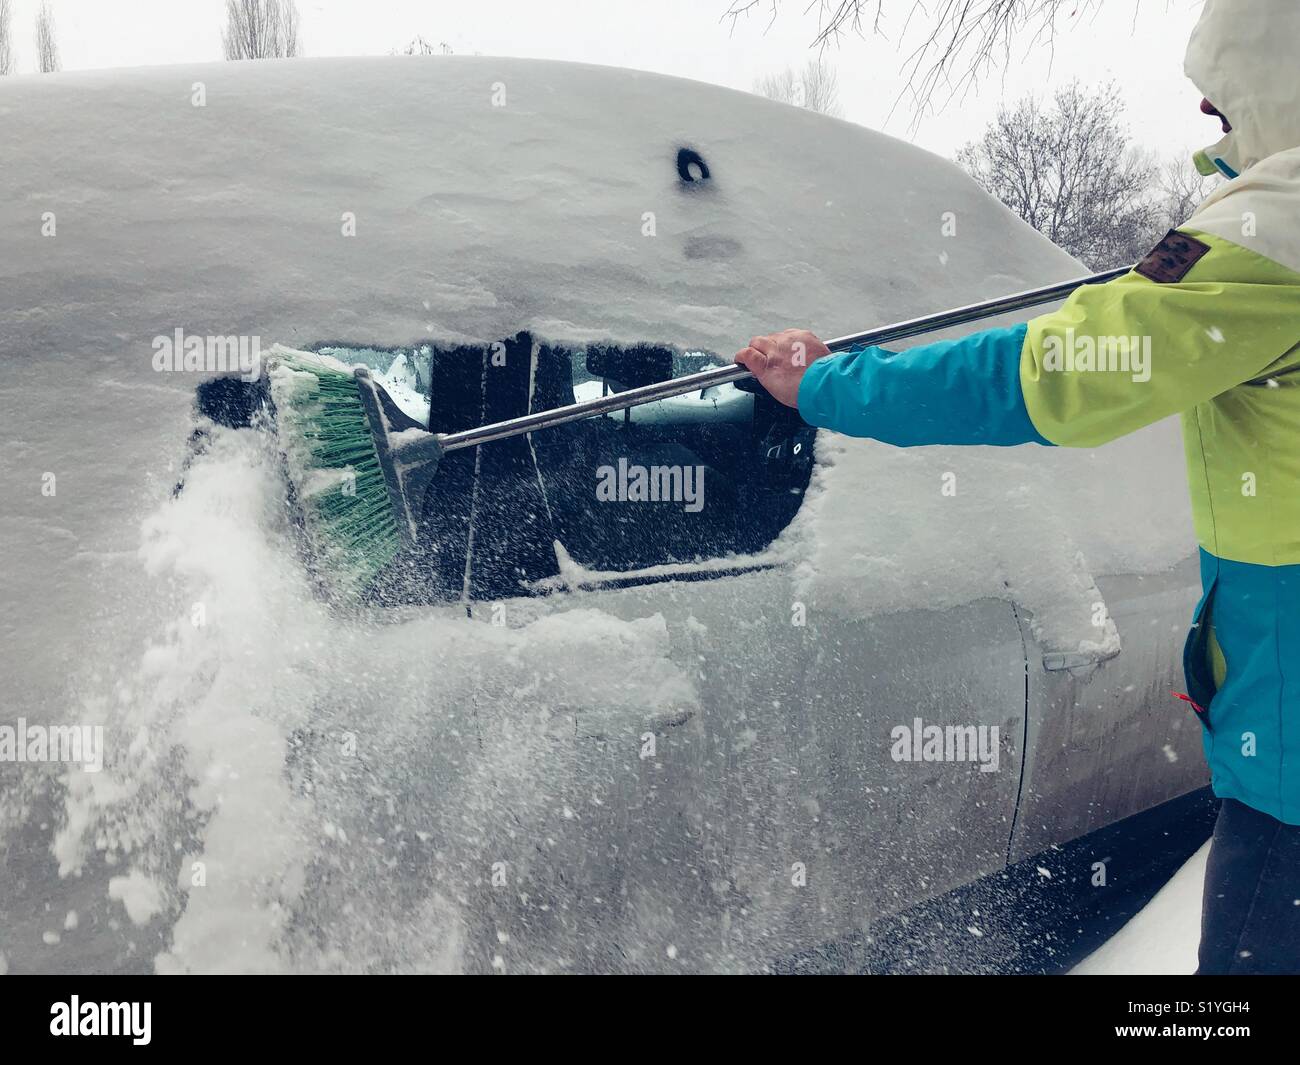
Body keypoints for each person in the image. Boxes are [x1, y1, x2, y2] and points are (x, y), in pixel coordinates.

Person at [736, 0, 1300, 975]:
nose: (1207, 115)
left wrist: (826, 385)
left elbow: (1056, 374)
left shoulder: (1277, 227)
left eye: (1222, 99)